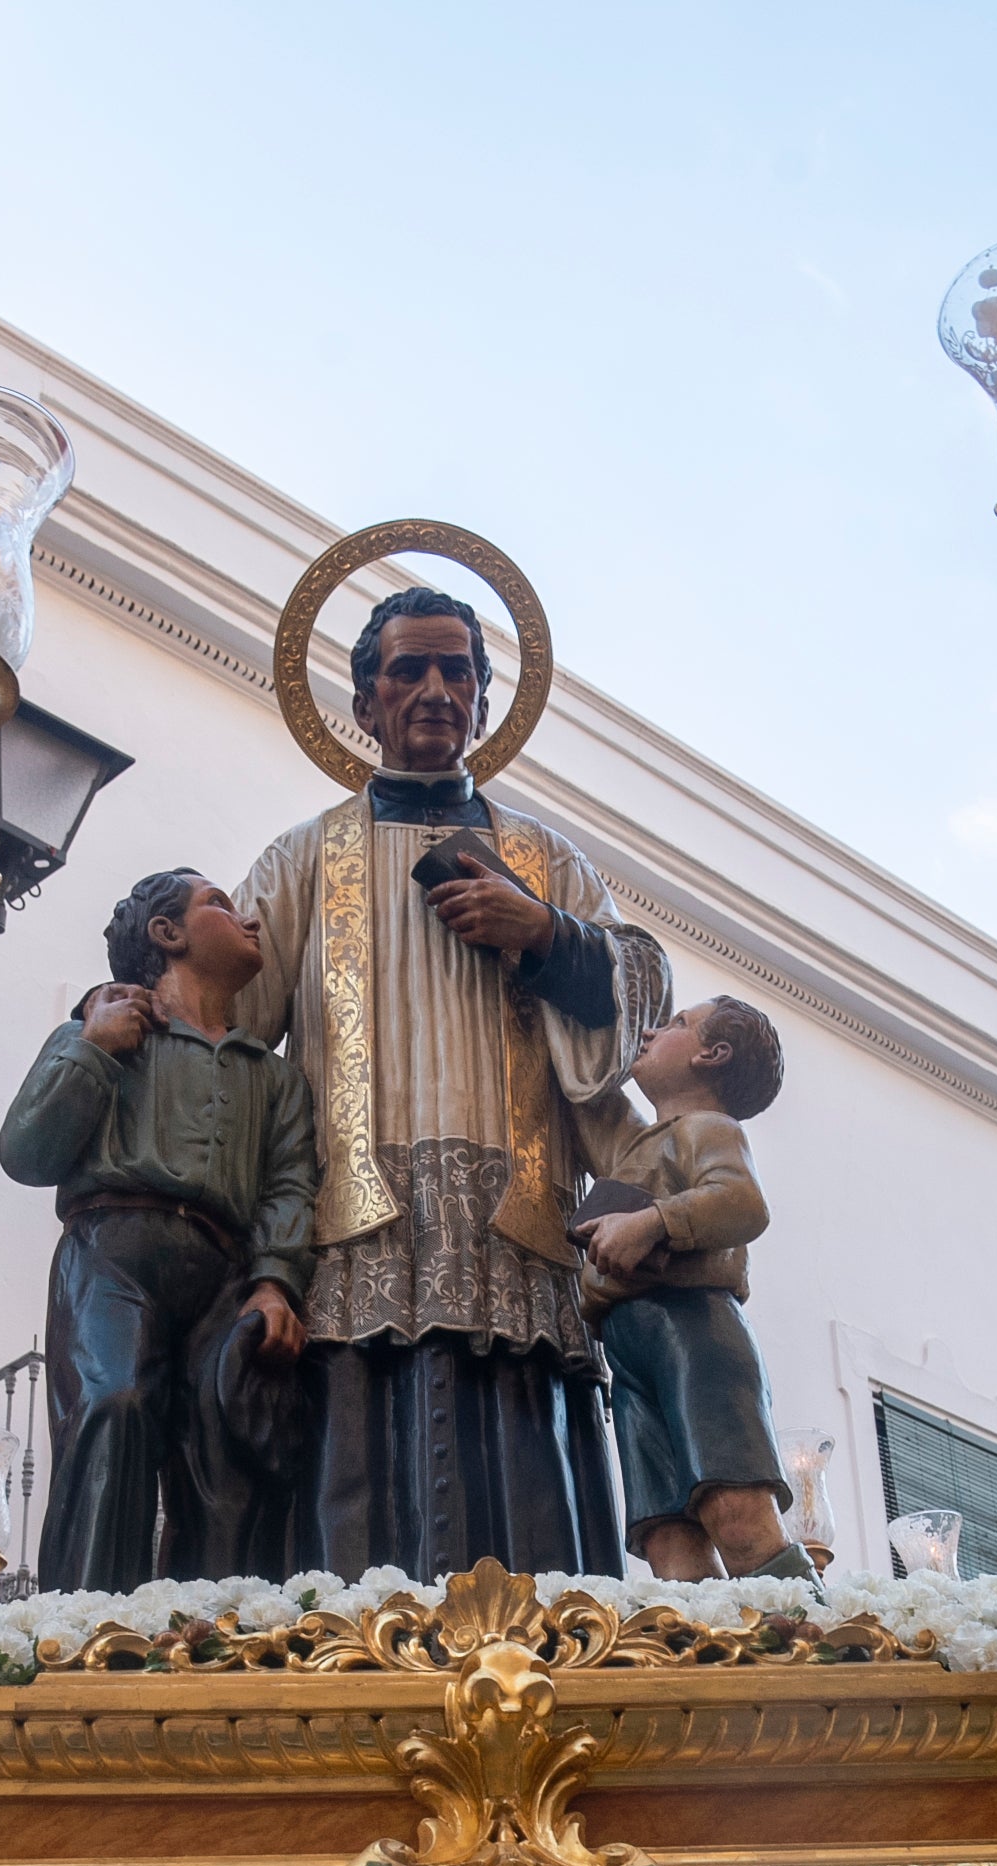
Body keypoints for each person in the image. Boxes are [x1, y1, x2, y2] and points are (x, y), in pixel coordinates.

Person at [229, 588, 673, 1577]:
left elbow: (641, 989)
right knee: (355, 1494)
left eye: (456, 671)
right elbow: (227, 1016)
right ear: (365, 701)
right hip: (354, 1228)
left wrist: (544, 931)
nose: (434, 689)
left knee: (522, 1494)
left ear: (480, 701)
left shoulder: (545, 858)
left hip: (514, 1228)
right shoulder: (303, 857)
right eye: (407, 669)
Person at [0, 870, 317, 1590]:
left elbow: (289, 1184)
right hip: (111, 1251)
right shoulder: (99, 1031)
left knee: (227, 1459)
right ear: (165, 934)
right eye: (220, 906)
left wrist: (274, 1283)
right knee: (112, 1408)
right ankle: (81, 1631)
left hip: (223, 1274)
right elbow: (26, 1153)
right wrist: (92, 1047)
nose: (249, 923)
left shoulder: (274, 1080)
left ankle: (218, 1649)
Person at [573, 996, 815, 1581]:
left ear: (713, 1055)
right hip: (630, 1352)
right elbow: (586, 1099)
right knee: (666, 1534)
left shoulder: (710, 1129)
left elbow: (742, 1202)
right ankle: (707, 1660)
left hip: (695, 1335)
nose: (653, 1031)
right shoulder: (635, 1144)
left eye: (677, 1024)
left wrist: (651, 1224)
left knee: (734, 1512)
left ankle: (815, 1647)